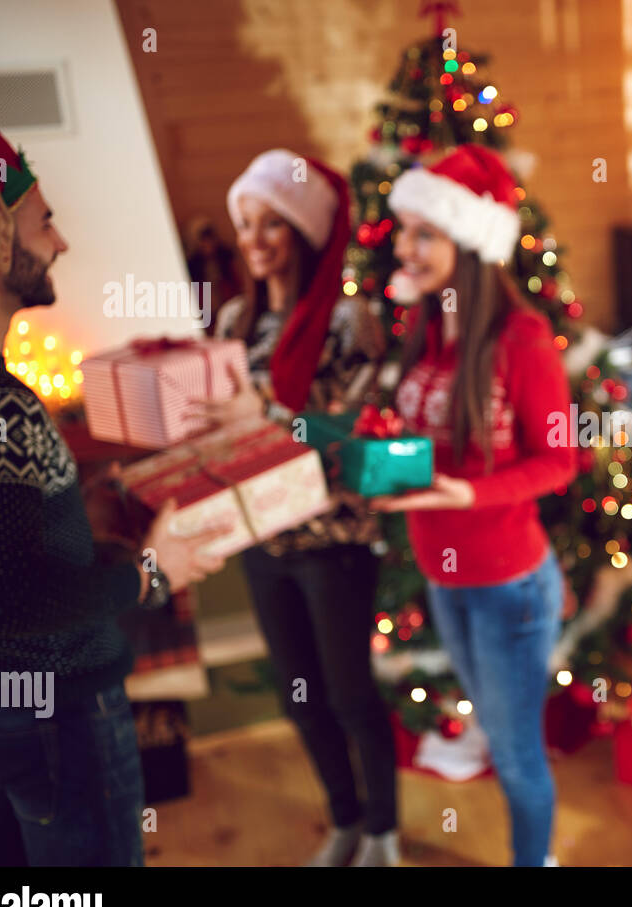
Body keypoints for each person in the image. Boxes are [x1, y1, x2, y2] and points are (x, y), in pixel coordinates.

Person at [0, 96, 226, 866]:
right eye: (42, 222)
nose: (62, 241)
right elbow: (2, 600)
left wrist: (82, 520)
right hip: (55, 714)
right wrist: (151, 572)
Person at [368, 144, 576, 867]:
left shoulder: (520, 340)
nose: (407, 247)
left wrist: (471, 493)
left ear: (468, 240)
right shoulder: (425, 331)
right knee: (493, 725)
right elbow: (425, 445)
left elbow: (559, 459)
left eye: (425, 233)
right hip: (443, 575)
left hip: (508, 586)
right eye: (406, 232)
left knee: (516, 757)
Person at [200, 148, 399, 867]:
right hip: (264, 543)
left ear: (305, 233)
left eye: (269, 224)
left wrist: (272, 414)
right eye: (243, 223)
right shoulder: (231, 323)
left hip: (335, 542)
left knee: (350, 695)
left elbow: (359, 436)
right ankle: (343, 819)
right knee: (300, 699)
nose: (251, 240)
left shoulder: (352, 323)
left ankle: (382, 830)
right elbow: (222, 434)